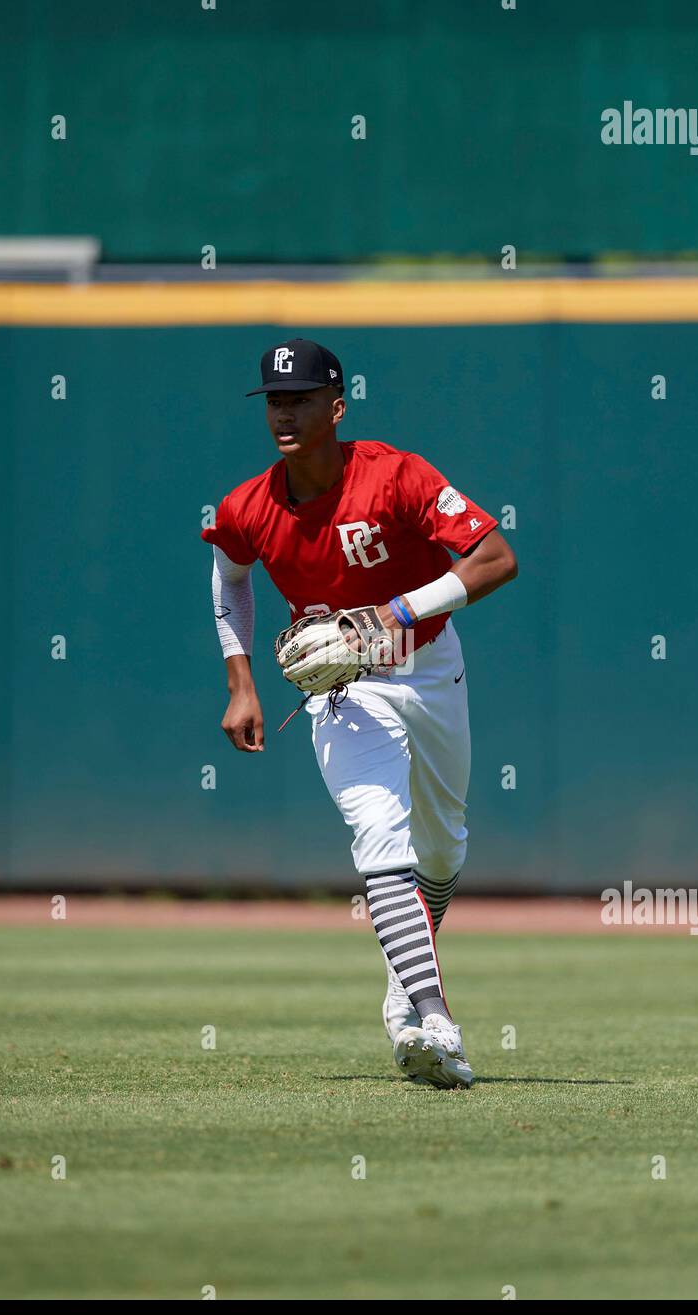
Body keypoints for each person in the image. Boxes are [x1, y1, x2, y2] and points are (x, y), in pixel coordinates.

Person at [203, 338, 517, 1088]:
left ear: (336, 407)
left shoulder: (395, 476)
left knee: (442, 854)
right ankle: (431, 1018)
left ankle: (403, 975)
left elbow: (495, 559)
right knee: (380, 837)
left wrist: (396, 612)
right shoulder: (247, 506)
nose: (285, 412)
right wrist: (239, 681)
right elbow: (230, 582)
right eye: (276, 400)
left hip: (430, 667)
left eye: (302, 398)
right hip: (342, 686)